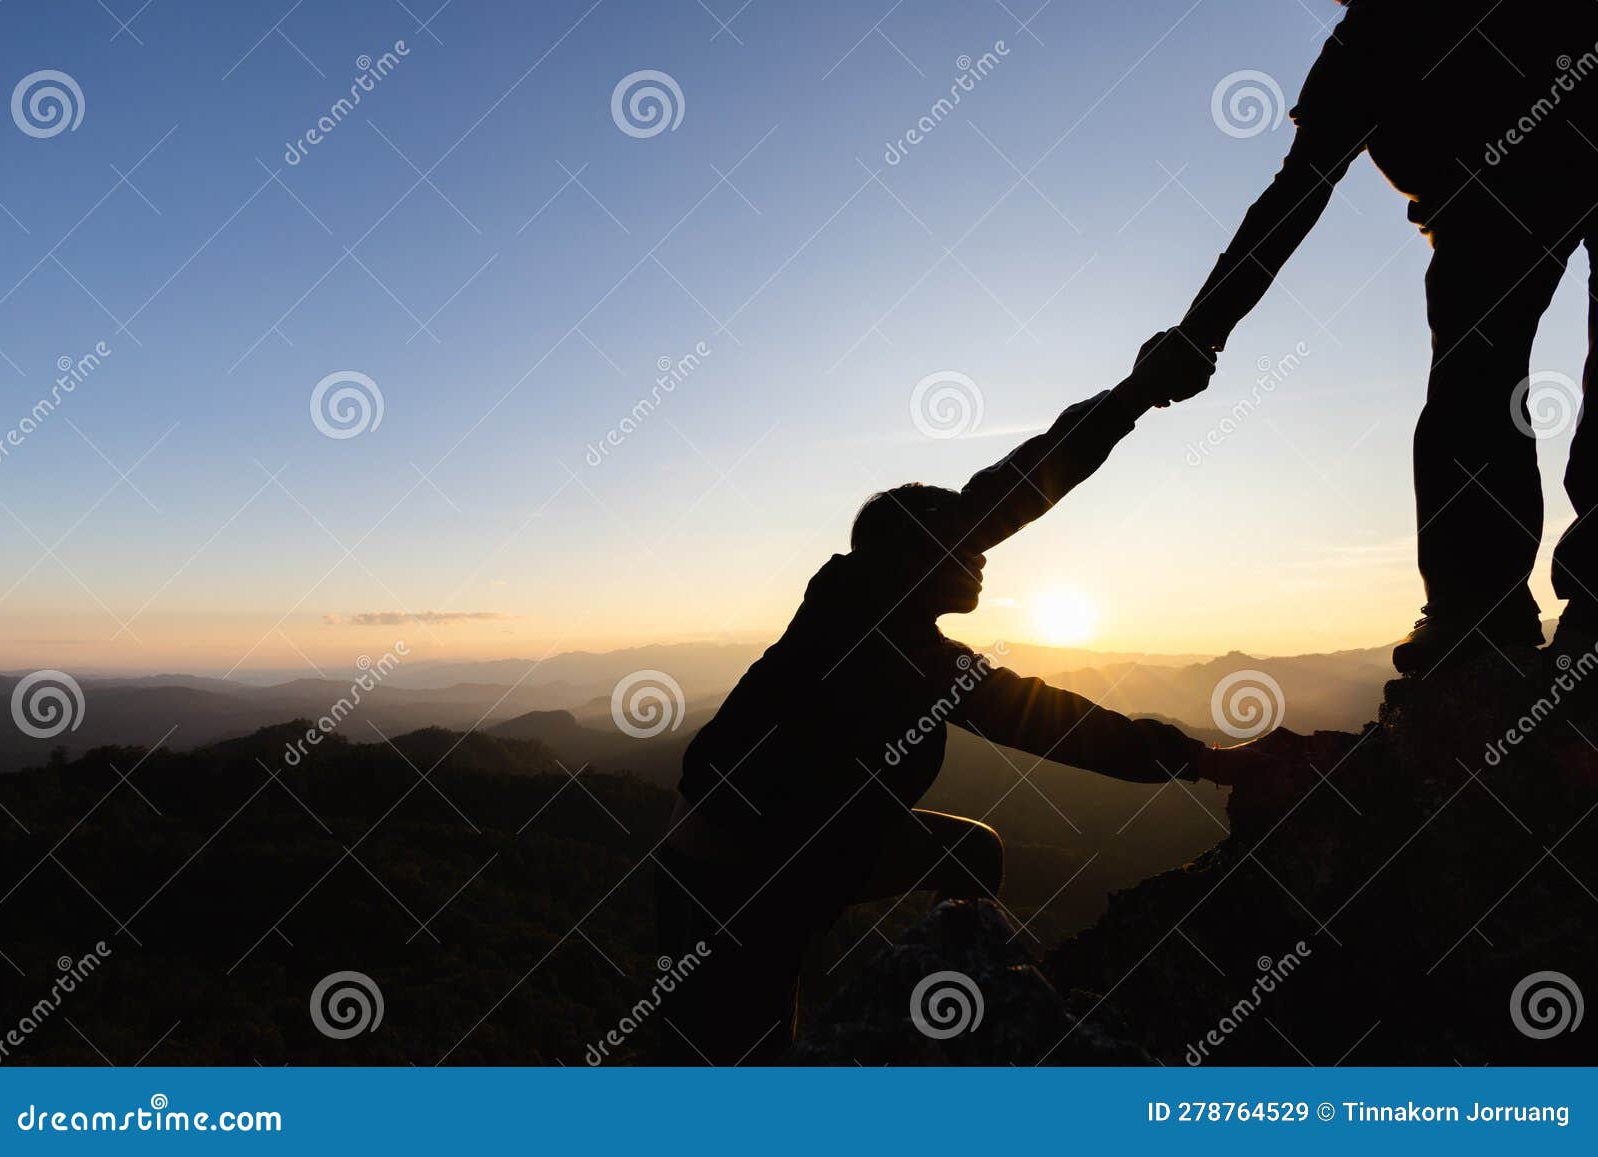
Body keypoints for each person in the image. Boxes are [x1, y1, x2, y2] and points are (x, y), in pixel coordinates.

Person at [653, 334, 1273, 1065]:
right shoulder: (857, 609)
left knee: (969, 853)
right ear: (907, 557)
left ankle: (954, 1015)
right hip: (728, 879)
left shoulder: (903, 636)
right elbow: (1019, 493)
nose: (980, 554)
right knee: (729, 1073)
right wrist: (1134, 394)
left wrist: (1205, 759)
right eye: (957, 540)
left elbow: (1067, 719)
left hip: (801, 852)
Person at [1153, 0, 1598, 672]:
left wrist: (1201, 334)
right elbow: (1297, 192)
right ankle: (1482, 611)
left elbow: (1296, 193)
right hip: (1493, 205)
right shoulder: (1371, 43)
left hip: (1525, 181)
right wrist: (1201, 332)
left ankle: (1480, 610)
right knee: (1472, 376)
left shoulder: (1381, 37)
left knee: (1472, 375)